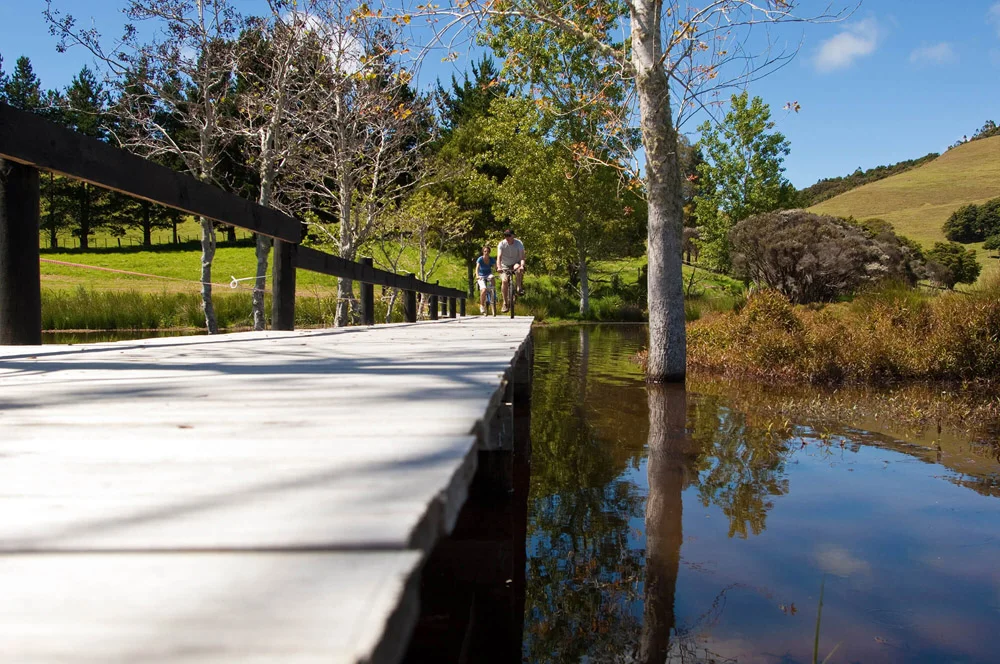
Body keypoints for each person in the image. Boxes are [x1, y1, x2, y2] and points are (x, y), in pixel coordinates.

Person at [497, 228, 526, 312]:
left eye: (509, 235)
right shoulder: (501, 244)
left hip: (515, 263)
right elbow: (499, 257)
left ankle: (518, 287)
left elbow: (522, 257)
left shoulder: (519, 243)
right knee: (505, 281)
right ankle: (505, 303)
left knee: (518, 268)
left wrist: (522, 266)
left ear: (513, 236)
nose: (507, 237)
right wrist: (499, 267)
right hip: (504, 265)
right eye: (505, 235)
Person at [475, 244, 496, 315]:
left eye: (487, 251)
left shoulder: (491, 259)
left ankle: (492, 291)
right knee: (483, 290)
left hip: (488, 274)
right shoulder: (480, 259)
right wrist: (477, 276)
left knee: (492, 277)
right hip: (481, 276)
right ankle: (481, 306)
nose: (486, 253)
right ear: (483, 252)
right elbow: (477, 268)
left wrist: (498, 269)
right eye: (485, 251)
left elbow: (495, 267)